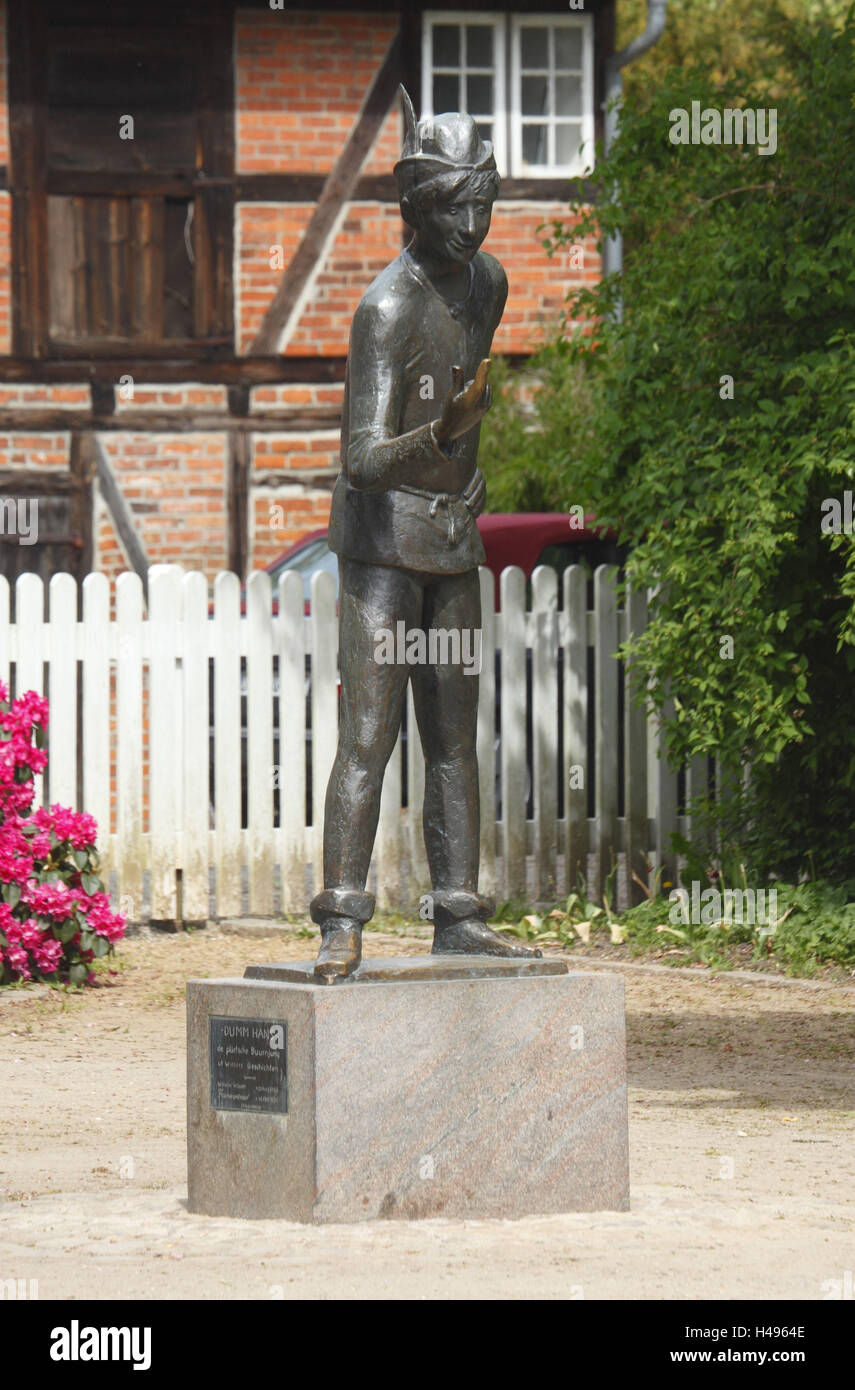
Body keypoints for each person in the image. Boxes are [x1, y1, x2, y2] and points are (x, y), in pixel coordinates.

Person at [310, 89, 540, 980]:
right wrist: (439, 440)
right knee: (368, 738)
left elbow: (465, 389)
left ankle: (457, 909)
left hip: (450, 539)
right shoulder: (386, 310)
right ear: (416, 206)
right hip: (379, 548)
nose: (474, 225)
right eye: (456, 207)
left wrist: (465, 468)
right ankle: (341, 918)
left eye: (484, 203)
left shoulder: (487, 284)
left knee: (453, 736)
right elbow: (362, 457)